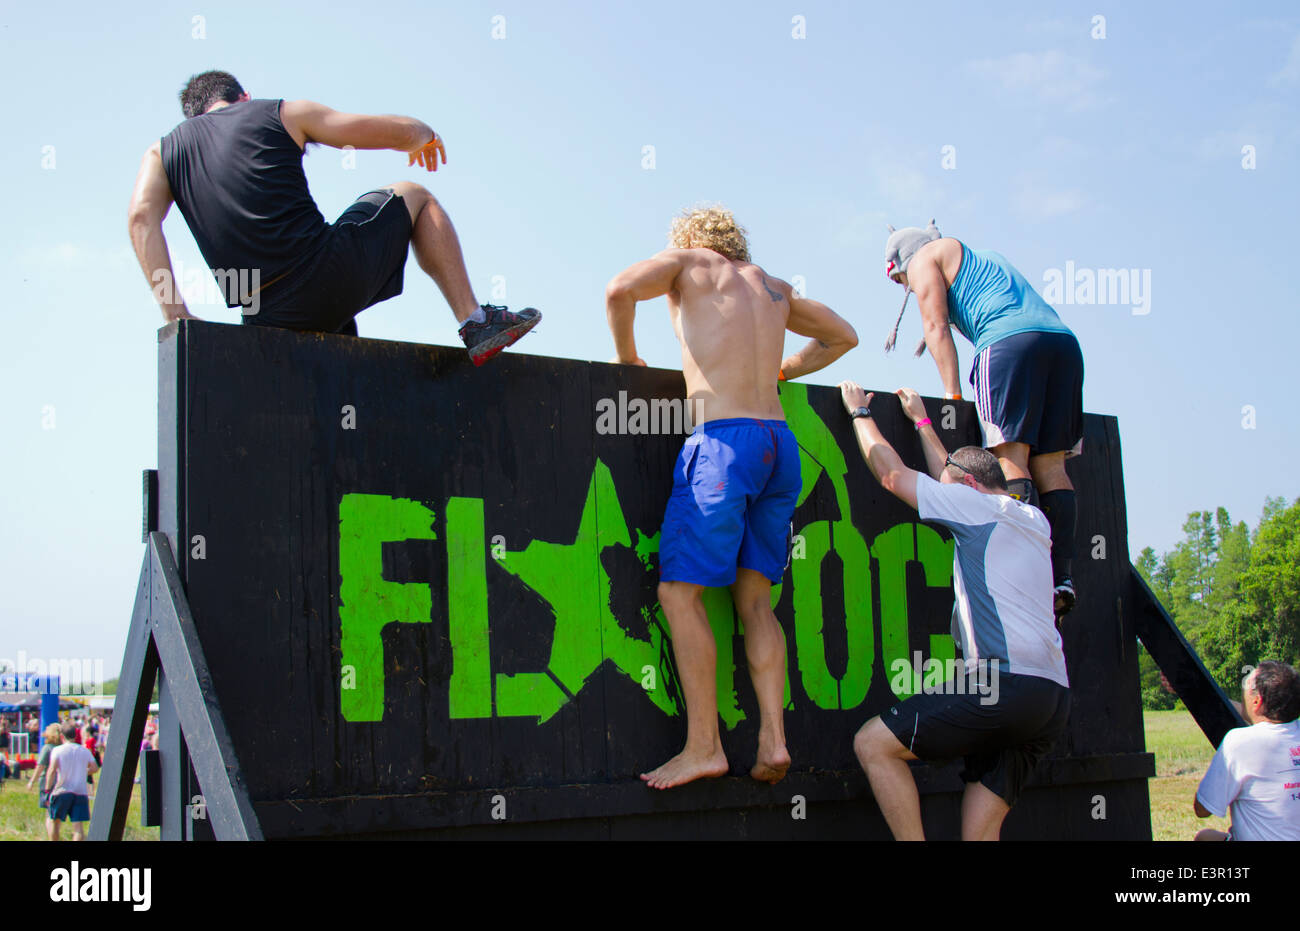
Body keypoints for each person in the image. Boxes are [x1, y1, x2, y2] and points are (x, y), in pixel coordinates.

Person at [605, 205, 859, 789]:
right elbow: (844, 336)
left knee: (678, 593)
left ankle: (704, 748)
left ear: (690, 240)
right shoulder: (772, 286)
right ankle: (773, 739)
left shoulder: (686, 263)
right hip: (779, 445)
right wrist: (782, 371)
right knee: (756, 603)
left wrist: (627, 360)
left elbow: (618, 289)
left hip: (722, 444)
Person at [128, 70, 540, 365]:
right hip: (327, 274)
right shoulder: (281, 112)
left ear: (192, 117)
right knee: (415, 195)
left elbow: (140, 220)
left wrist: (175, 312)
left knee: (332, 359)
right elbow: (375, 131)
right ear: (243, 97)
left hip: (264, 316)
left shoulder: (161, 154)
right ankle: (476, 323)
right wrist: (421, 132)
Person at [844, 382, 1070, 840]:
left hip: (1005, 683)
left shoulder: (977, 509)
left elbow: (892, 476)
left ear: (969, 490)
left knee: (873, 744)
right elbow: (958, 478)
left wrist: (859, 414)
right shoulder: (1030, 517)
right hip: (1051, 696)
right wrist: (923, 423)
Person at [882, 222, 1083, 617]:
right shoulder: (986, 259)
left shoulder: (926, 256)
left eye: (902, 280)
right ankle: (1061, 578)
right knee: (1052, 468)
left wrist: (952, 397)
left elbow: (936, 325)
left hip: (1008, 343)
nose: (908, 287)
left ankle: (1020, 573)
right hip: (1062, 344)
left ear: (903, 261)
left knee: (1011, 459)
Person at [1194, 661, 1300, 841]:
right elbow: (1255, 717)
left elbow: (1203, 809)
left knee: (1204, 837)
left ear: (1257, 701)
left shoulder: (1238, 742)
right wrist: (1198, 693)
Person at [45, 723, 98, 841]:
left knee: (55, 822)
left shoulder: (57, 750)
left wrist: (47, 790)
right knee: (78, 827)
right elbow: (95, 768)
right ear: (75, 735)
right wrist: (83, 771)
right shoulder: (84, 750)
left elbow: (52, 770)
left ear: (62, 736)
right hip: (80, 792)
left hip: (62, 790)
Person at [28, 724, 63, 816]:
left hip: (47, 781)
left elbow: (40, 766)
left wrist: (32, 781)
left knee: (49, 809)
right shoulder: (63, 748)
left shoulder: (47, 748)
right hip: (61, 781)